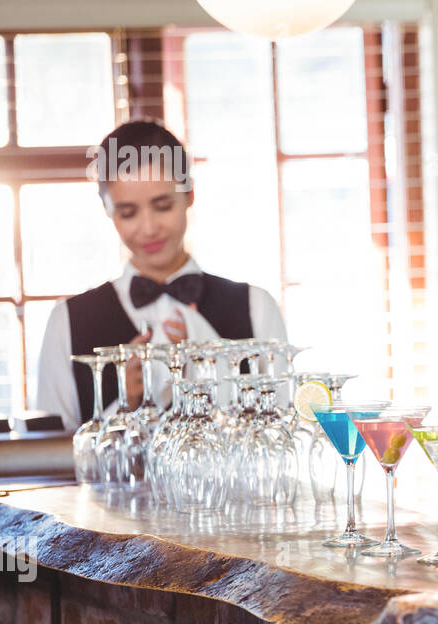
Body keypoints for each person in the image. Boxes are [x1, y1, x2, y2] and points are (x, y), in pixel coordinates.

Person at [37, 119, 286, 431]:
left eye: (163, 205)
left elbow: (279, 433)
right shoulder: (66, 322)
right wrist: (126, 404)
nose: (149, 227)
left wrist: (207, 366)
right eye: (128, 213)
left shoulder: (257, 307)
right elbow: (54, 451)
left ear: (189, 195)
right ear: (107, 209)